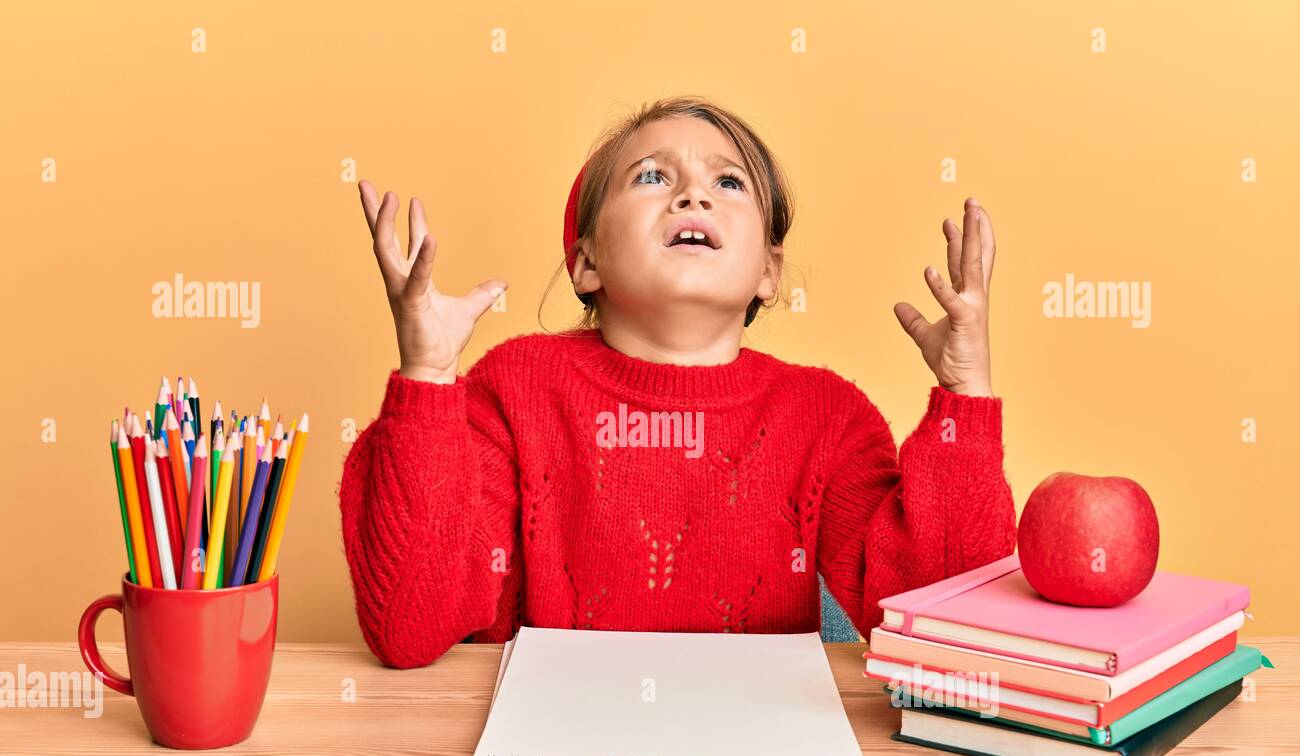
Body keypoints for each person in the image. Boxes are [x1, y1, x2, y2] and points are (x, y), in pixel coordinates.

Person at [339, 95, 1015, 669]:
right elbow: (408, 630)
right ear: (586, 261)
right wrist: (427, 380)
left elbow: (946, 641)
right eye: (652, 176)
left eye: (728, 183)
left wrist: (966, 397)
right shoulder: (513, 388)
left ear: (768, 273)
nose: (692, 193)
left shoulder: (828, 416)